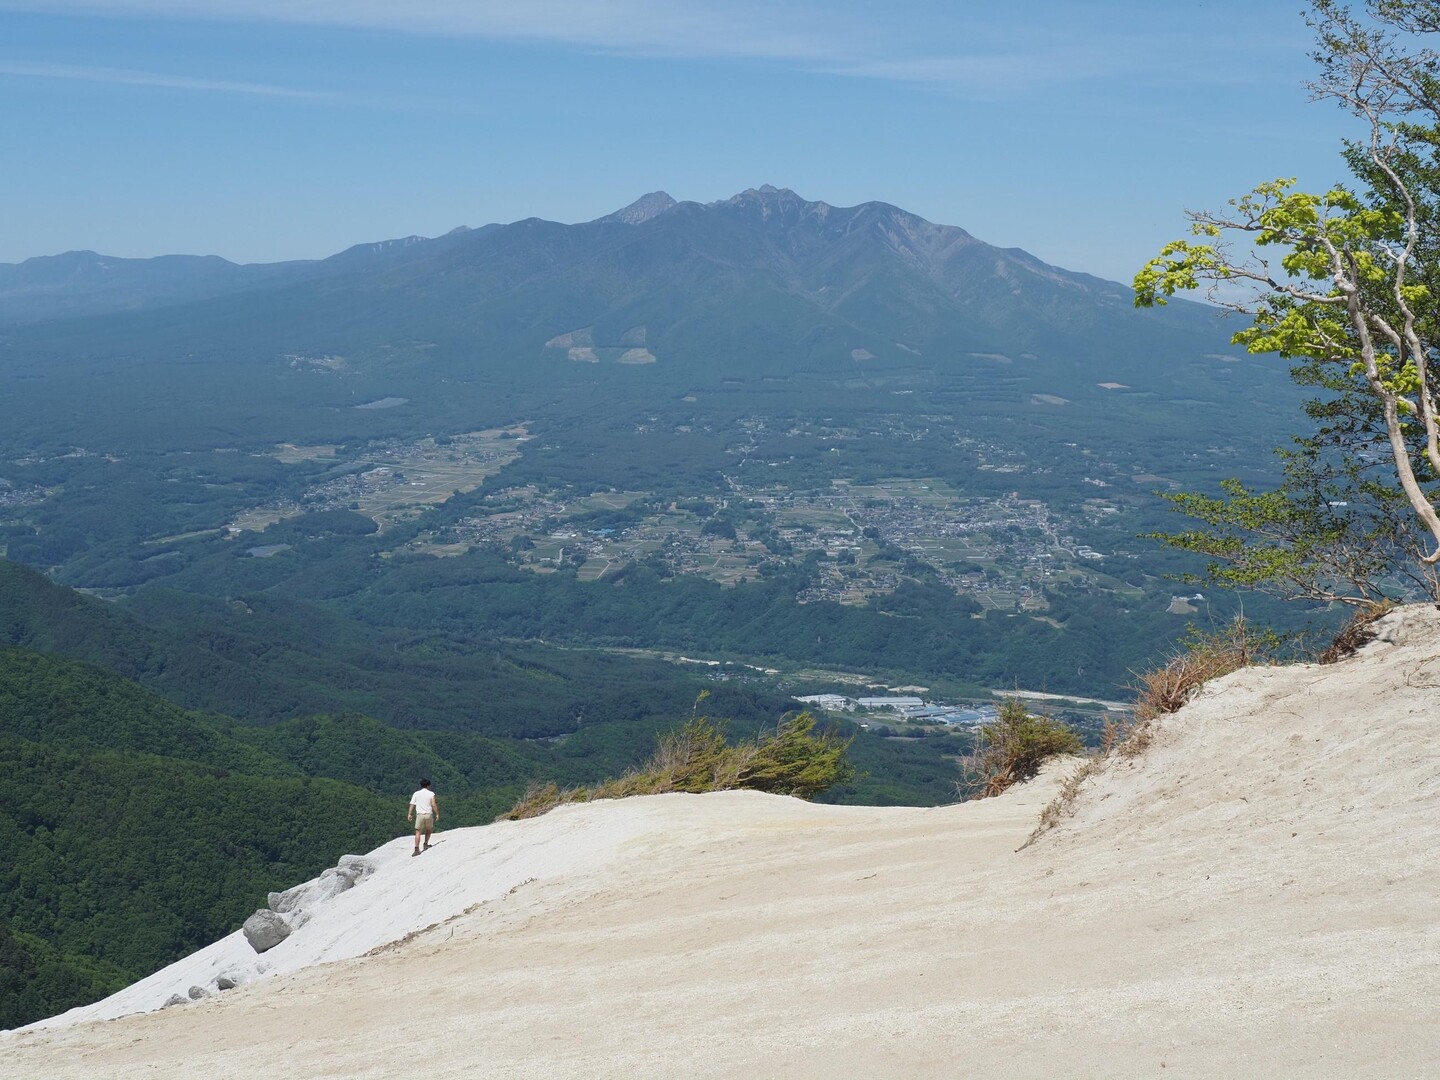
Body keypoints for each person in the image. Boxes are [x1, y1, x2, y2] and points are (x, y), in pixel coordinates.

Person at [407, 779, 439, 856]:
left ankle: (416, 849)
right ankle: (425, 844)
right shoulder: (431, 794)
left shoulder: (416, 794)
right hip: (428, 814)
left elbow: (412, 804)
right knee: (428, 829)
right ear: (428, 785)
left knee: (418, 832)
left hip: (420, 815)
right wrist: (437, 814)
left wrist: (409, 814)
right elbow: (433, 804)